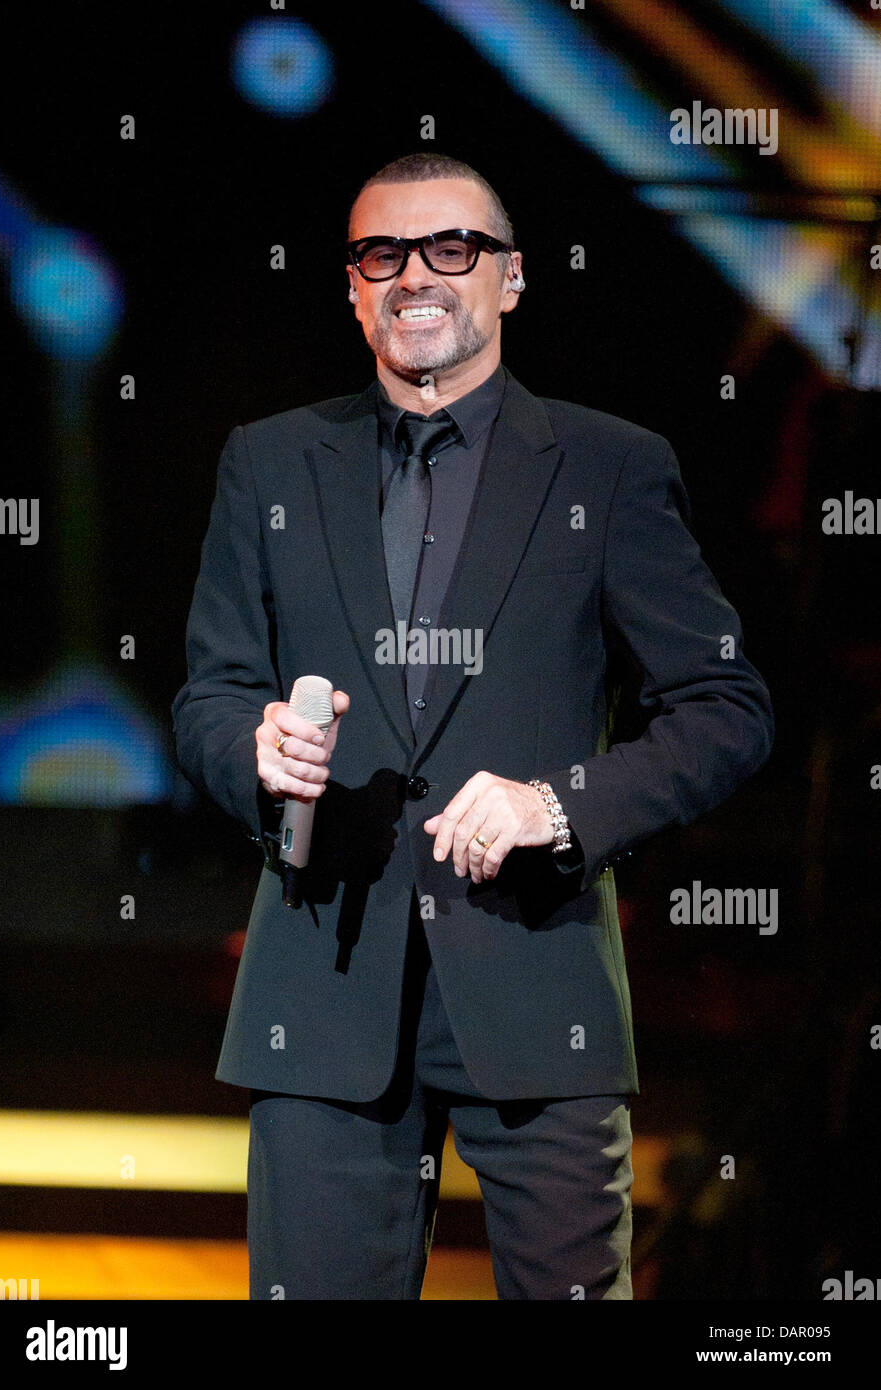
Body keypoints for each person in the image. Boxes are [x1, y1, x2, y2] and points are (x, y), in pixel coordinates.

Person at [171, 152, 773, 1300]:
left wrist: (560, 805)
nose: (413, 276)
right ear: (350, 288)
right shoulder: (268, 460)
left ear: (509, 279)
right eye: (379, 254)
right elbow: (207, 693)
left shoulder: (610, 464)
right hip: (323, 990)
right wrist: (250, 753)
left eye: (450, 248)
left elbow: (726, 705)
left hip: (538, 990)